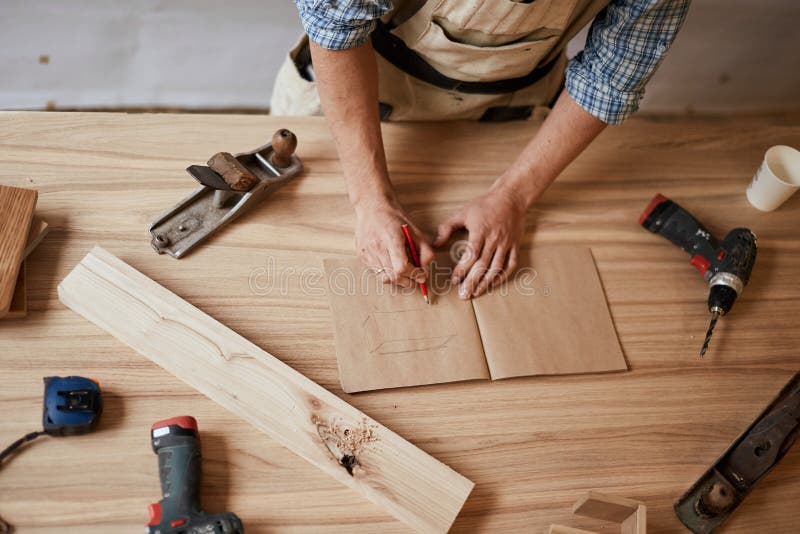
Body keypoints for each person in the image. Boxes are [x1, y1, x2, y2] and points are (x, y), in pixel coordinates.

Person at [273, 0, 691, 299]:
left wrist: (513, 195)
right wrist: (368, 198)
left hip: (511, 105)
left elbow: (609, 79)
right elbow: (337, 24)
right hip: (364, 88)